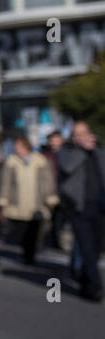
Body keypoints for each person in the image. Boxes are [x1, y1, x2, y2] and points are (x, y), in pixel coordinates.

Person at [55, 121, 104, 302]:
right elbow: (68, 167)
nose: (82, 137)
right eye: (77, 134)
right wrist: (82, 149)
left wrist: (94, 148)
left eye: (84, 133)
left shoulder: (98, 152)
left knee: (97, 249)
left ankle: (86, 281)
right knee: (87, 248)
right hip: (78, 208)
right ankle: (96, 287)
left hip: (99, 207)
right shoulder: (66, 153)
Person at [0, 134, 57, 268]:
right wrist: (3, 201)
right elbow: (5, 183)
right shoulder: (11, 161)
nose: (16, 149)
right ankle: (26, 252)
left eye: (18, 146)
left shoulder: (40, 160)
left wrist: (51, 197)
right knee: (22, 230)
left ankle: (31, 255)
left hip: (37, 202)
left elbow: (48, 180)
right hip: (18, 202)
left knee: (34, 231)